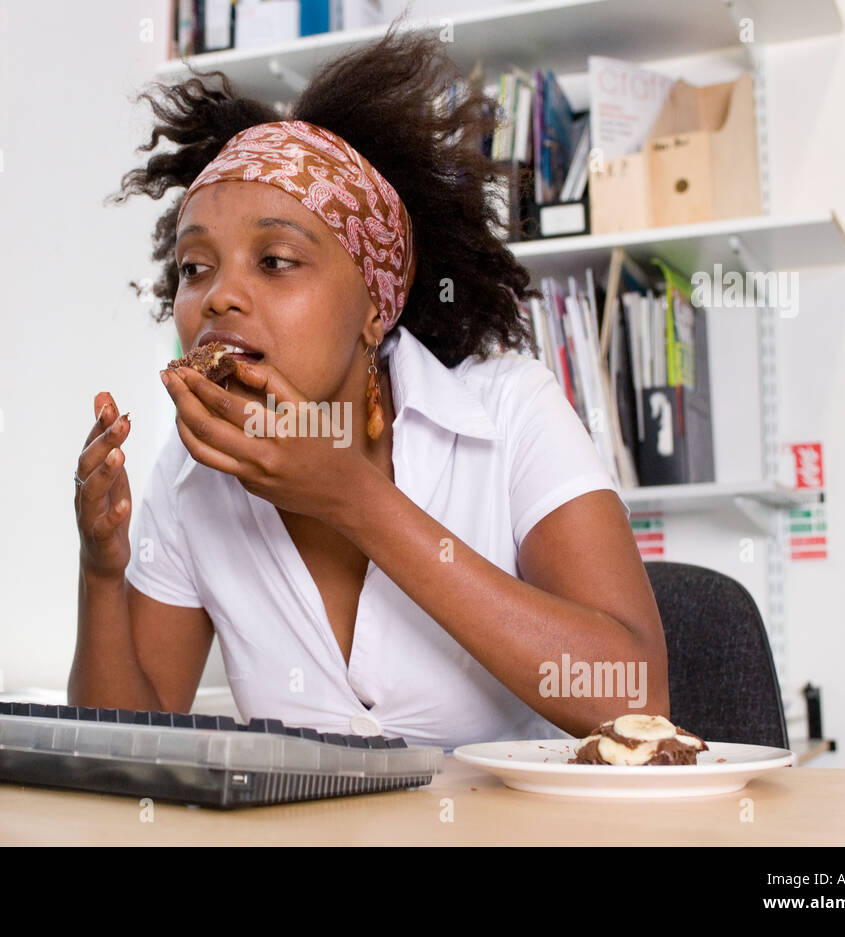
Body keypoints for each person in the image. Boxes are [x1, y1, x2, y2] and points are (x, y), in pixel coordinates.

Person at [68, 22, 668, 750]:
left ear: (377, 303)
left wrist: (350, 494)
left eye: (277, 259)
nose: (220, 296)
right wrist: (104, 571)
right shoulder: (189, 472)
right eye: (196, 268)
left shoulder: (510, 408)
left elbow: (635, 692)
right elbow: (127, 749)